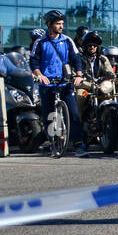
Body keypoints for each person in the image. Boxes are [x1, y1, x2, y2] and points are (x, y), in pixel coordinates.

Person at [29, 9, 90, 157]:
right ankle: (53, 144)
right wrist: (40, 75)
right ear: (49, 24)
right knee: (49, 115)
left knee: (74, 114)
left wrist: (79, 75)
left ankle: (78, 145)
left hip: (65, 83)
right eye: (58, 24)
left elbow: (76, 60)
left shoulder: (67, 41)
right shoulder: (40, 42)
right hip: (47, 84)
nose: (61, 26)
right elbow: (34, 62)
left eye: (62, 23)